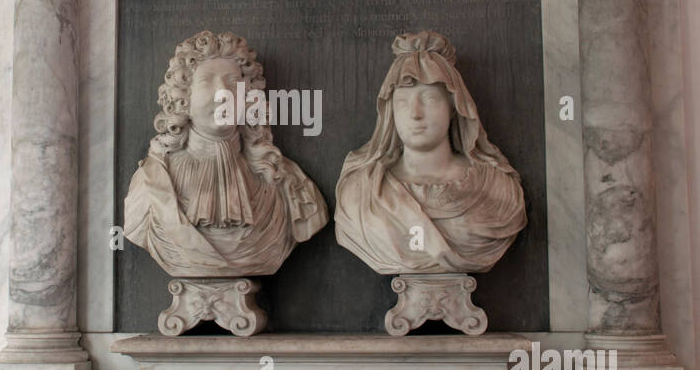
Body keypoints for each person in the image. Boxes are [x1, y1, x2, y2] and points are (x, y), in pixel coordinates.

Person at [124, 30, 327, 276]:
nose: (223, 94)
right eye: (207, 81)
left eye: (233, 83)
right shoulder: (152, 183)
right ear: (183, 100)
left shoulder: (287, 183)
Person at [334, 30, 526, 274]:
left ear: (454, 108)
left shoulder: (498, 191)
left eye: (430, 99)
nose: (415, 113)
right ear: (390, 111)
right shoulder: (361, 195)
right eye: (403, 102)